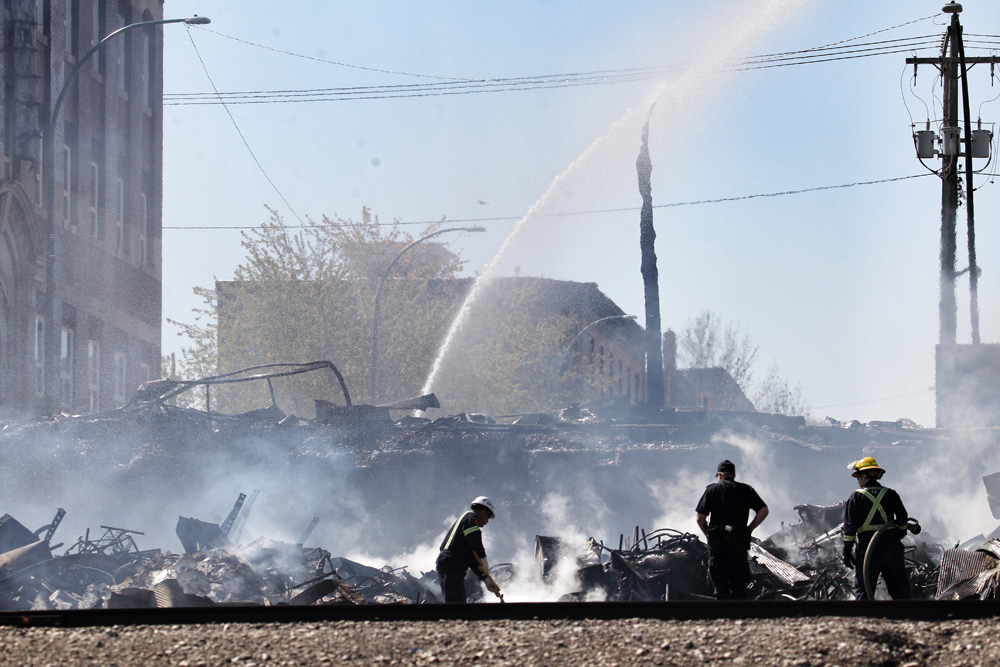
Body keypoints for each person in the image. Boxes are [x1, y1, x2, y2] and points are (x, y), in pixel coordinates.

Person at [695, 459, 769, 600]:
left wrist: (709, 536)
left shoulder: (711, 490)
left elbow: (700, 519)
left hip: (718, 545)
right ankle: (739, 617)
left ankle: (723, 618)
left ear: (720, 475)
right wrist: (749, 529)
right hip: (739, 543)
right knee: (739, 586)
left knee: (720, 587)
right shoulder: (746, 490)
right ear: (734, 475)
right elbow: (763, 511)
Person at [842, 457, 910, 600]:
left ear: (863, 476)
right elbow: (902, 517)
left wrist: (847, 549)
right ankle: (908, 617)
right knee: (899, 589)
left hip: (868, 549)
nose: (857, 481)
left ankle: (864, 619)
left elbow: (850, 527)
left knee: (864, 589)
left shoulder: (855, 497)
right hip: (892, 547)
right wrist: (901, 532)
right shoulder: (891, 494)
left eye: (858, 477)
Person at [435, 496, 501, 603]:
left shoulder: (466, 528)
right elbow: (475, 541)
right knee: (455, 603)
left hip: (452, 565)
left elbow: (473, 560)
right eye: (488, 517)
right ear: (484, 511)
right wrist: (484, 559)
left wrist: (487, 580)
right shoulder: (470, 518)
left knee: (458, 601)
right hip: (451, 564)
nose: (487, 521)